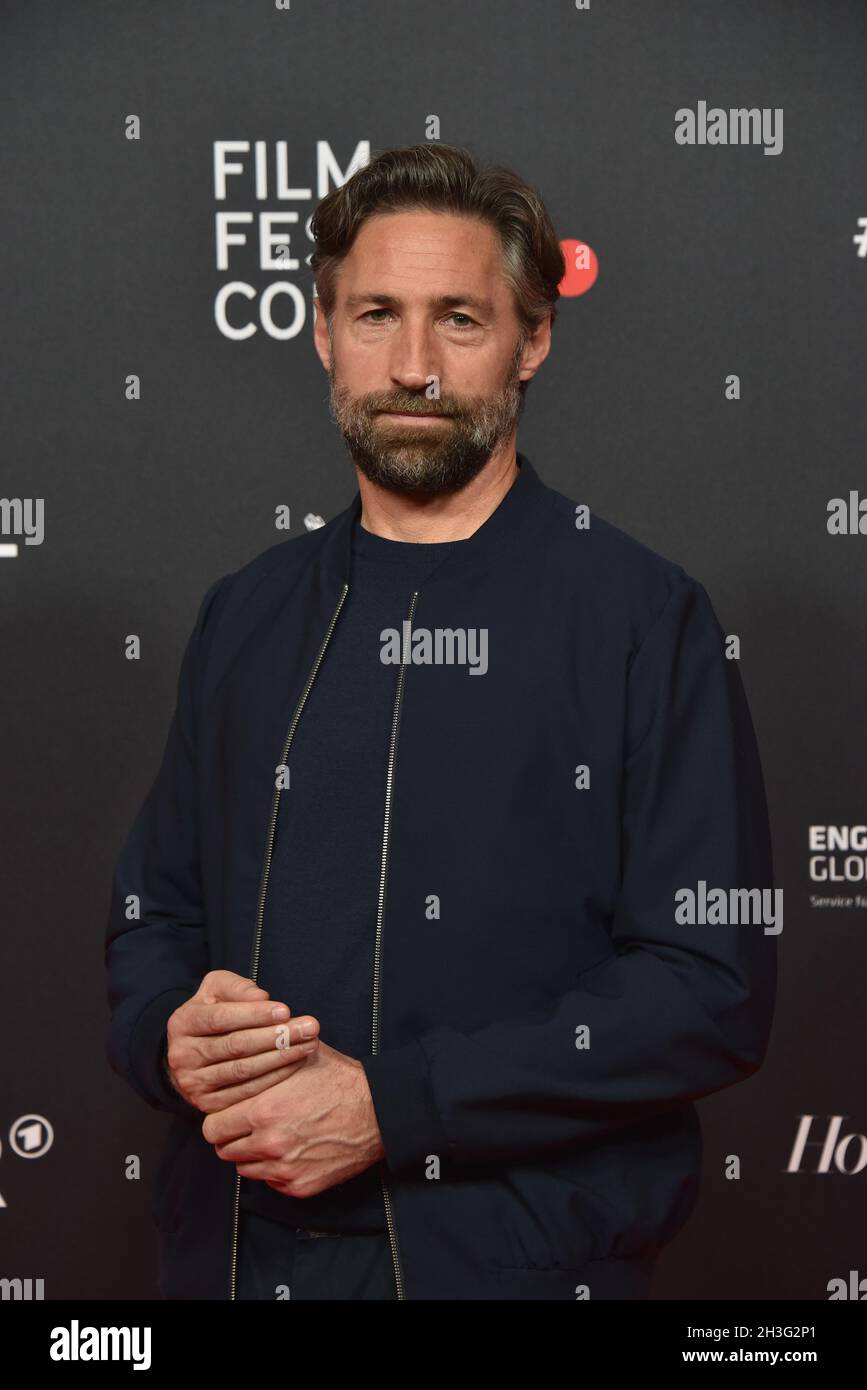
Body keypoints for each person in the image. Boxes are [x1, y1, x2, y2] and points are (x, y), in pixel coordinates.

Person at [105, 142, 777, 1301]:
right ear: (322, 334)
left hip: (514, 1269)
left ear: (535, 338)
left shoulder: (640, 616)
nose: (411, 365)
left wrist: (393, 1108)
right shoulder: (247, 614)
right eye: (376, 314)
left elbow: (705, 987)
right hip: (229, 1263)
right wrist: (170, 1027)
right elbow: (154, 917)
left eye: (458, 320)